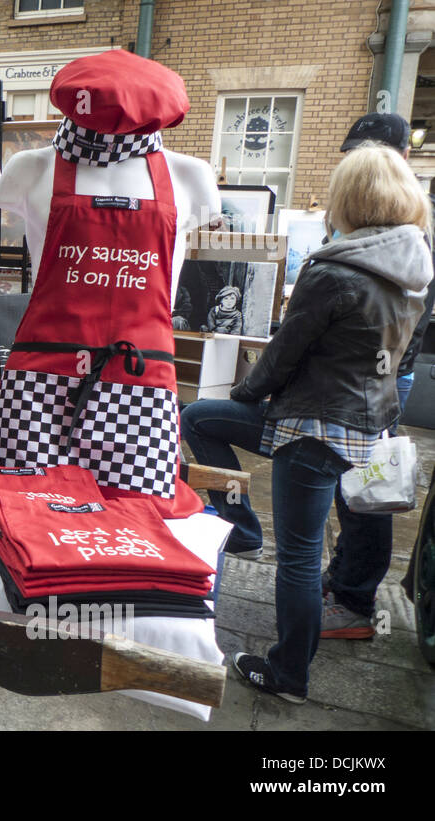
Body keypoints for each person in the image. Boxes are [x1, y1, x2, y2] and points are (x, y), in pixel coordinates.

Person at [181, 144, 432, 702]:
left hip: (311, 427)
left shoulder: (334, 270)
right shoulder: (415, 269)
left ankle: (288, 674)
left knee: (297, 558)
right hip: (362, 428)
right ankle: (241, 527)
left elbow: (282, 356)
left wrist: (246, 392)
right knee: (199, 417)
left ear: (350, 198)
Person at [322, 113, 435, 639]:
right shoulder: (390, 227)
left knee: (367, 495)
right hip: (375, 376)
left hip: (381, 378)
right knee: (356, 490)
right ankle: (343, 583)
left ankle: (353, 604)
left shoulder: (411, 233)